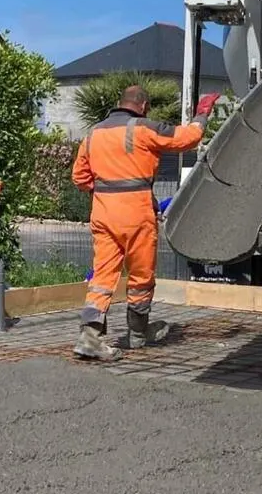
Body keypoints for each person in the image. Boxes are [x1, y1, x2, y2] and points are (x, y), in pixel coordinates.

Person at [71, 85, 221, 360]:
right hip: (135, 213)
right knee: (141, 276)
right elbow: (187, 138)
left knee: (102, 278)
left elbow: (80, 177)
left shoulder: (94, 133)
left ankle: (89, 337)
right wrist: (202, 113)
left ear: (120, 103)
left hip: (103, 213)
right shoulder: (144, 128)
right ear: (143, 106)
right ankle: (138, 334)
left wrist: (106, 191)